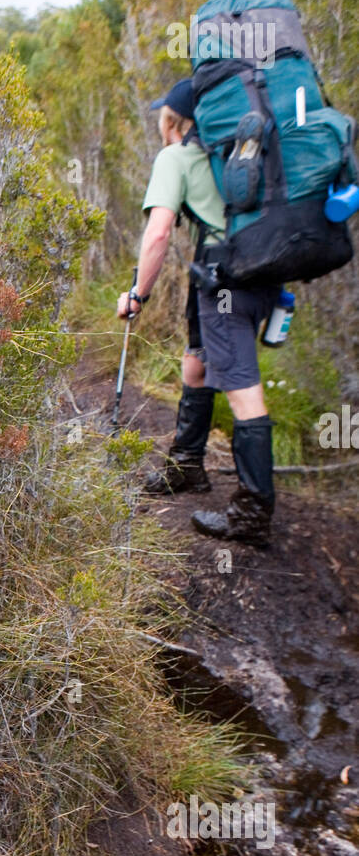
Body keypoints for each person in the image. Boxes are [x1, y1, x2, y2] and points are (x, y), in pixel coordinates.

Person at [117, 78, 280, 546]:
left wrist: (137, 294)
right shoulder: (235, 152)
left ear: (175, 120)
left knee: (241, 387)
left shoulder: (177, 156)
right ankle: (187, 465)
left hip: (225, 278)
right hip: (255, 270)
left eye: (163, 116)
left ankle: (252, 514)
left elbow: (160, 233)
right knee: (198, 362)